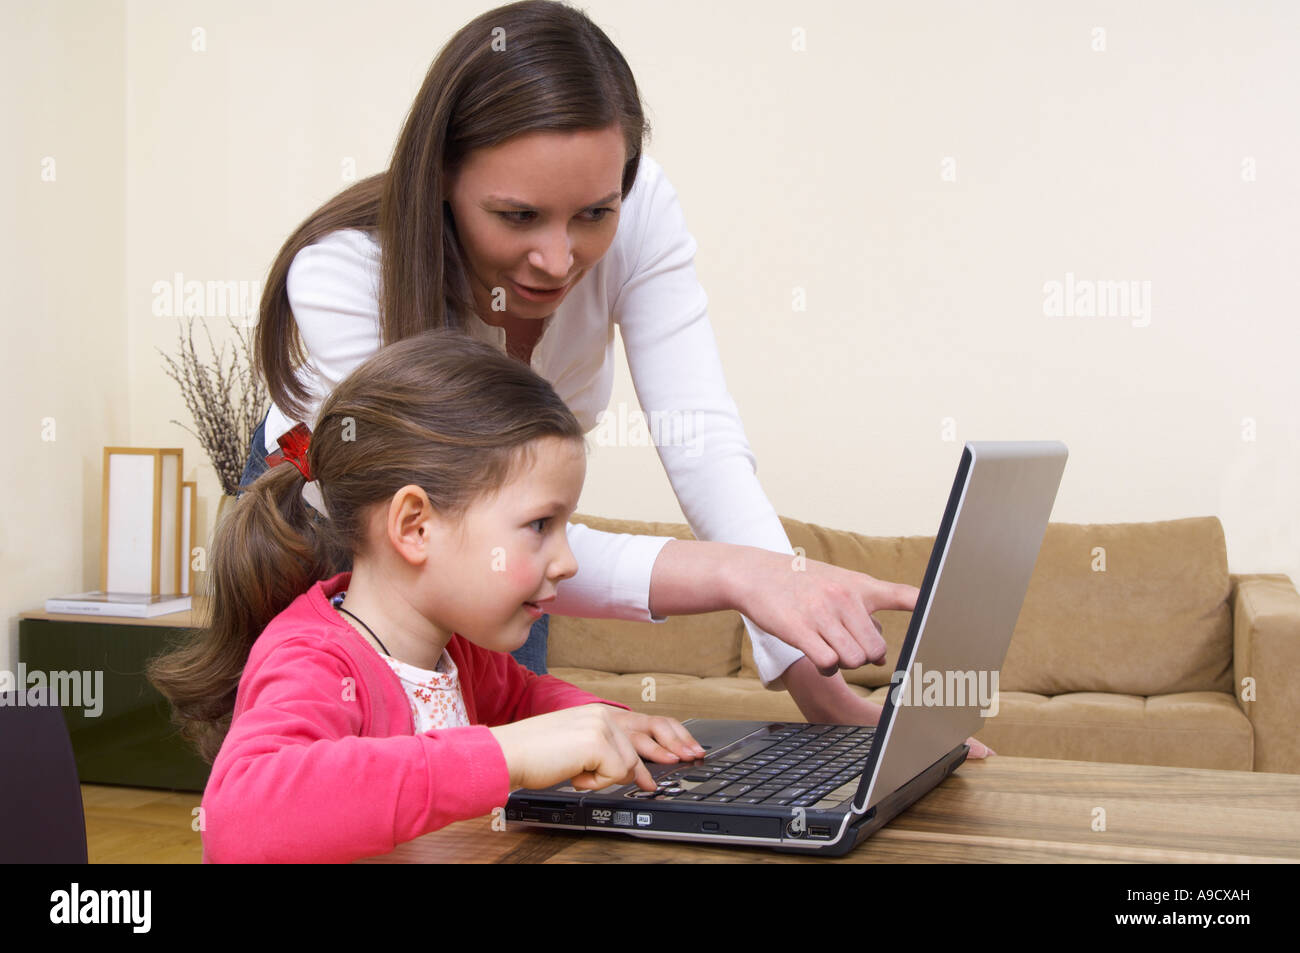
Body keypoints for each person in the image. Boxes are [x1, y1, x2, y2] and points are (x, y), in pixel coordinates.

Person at [240, 0, 993, 754]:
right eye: (518, 216)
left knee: (506, 803)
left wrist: (818, 680)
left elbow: (700, 442)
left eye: (595, 213)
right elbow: (466, 530)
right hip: (328, 530)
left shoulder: (640, 209)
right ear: (441, 176)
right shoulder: (344, 274)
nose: (560, 259)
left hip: (495, 540)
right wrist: (742, 574)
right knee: (334, 791)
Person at [150, 330, 706, 863]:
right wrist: (508, 754)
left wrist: (597, 719)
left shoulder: (456, 653)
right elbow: (243, 819)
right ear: (415, 526)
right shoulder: (313, 659)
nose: (567, 562)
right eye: (540, 525)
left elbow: (522, 702)